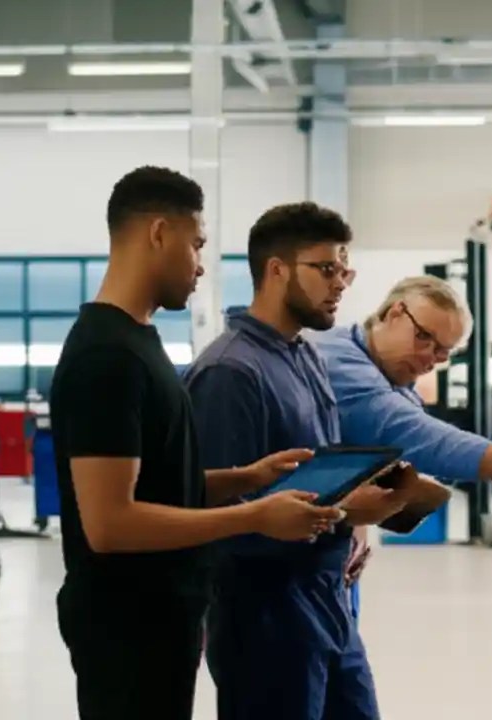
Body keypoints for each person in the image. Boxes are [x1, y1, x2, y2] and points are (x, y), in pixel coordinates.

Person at [49, 167, 343, 720]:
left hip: (164, 616)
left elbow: (157, 483)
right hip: (125, 628)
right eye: (197, 244)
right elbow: (111, 524)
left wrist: (245, 478)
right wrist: (252, 515)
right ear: (159, 233)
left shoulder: (138, 342)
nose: (201, 264)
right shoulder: (106, 358)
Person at [183, 202, 415, 720]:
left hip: (328, 601)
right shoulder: (230, 374)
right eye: (327, 268)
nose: (341, 283)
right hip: (267, 620)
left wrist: (353, 525)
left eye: (344, 270)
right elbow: (216, 522)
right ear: (277, 269)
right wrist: (339, 512)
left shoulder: (304, 354)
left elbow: (321, 466)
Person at [317, 275, 492, 498]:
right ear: (394, 314)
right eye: (423, 337)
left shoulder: (391, 375)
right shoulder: (335, 359)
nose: (430, 358)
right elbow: (410, 434)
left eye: (442, 352)